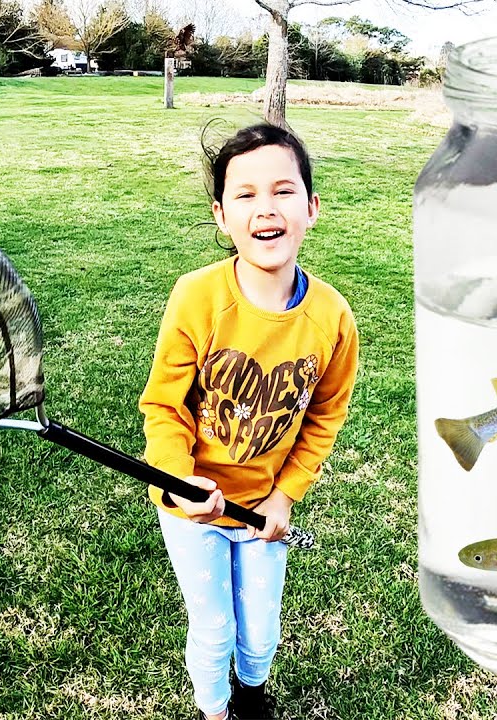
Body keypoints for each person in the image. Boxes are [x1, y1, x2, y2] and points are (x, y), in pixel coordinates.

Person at [139, 122, 359, 720]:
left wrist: (286, 495)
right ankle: (214, 710)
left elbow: (324, 414)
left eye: (284, 191)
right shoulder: (196, 297)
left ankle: (252, 696)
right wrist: (180, 483)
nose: (266, 208)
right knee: (212, 631)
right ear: (221, 214)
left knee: (259, 634)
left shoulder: (333, 317)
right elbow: (163, 406)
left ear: (311, 208)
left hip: (264, 508)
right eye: (245, 194)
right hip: (191, 509)